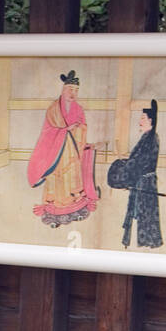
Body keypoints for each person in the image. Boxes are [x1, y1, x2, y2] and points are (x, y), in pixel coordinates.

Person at [27, 70, 98, 228]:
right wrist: (65, 129)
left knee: (72, 179)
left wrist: (77, 129)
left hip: (72, 150)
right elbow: (49, 129)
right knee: (56, 178)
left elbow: (83, 127)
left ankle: (73, 210)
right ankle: (54, 212)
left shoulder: (78, 109)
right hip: (56, 151)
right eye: (70, 89)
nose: (73, 93)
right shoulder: (53, 109)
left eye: (76, 90)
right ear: (63, 90)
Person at [108, 100, 164, 250]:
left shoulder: (151, 139)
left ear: (151, 120)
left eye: (143, 118)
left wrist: (123, 168)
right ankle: (140, 245)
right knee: (141, 215)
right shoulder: (147, 137)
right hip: (142, 181)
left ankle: (145, 246)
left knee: (145, 216)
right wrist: (126, 164)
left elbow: (139, 163)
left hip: (145, 184)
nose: (140, 121)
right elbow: (136, 161)